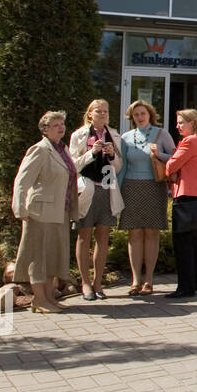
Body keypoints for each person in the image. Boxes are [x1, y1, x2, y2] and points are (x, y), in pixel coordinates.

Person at [11, 111, 79, 313]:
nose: (61, 127)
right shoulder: (39, 150)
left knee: (54, 256)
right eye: (55, 124)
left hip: (60, 210)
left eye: (62, 124)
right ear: (45, 129)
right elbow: (22, 181)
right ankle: (39, 300)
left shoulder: (62, 149)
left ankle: (49, 297)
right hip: (40, 212)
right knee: (38, 256)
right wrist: (19, 208)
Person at [119, 99, 174, 296]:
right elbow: (123, 166)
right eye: (136, 115)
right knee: (134, 233)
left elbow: (175, 158)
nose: (140, 117)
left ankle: (149, 279)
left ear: (150, 115)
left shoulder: (161, 133)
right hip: (131, 187)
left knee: (151, 232)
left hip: (154, 186)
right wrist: (116, 190)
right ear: (132, 118)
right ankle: (135, 280)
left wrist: (160, 154)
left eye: (143, 113)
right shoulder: (125, 138)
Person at [70, 98, 123, 300]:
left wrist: (112, 155)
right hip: (87, 187)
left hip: (107, 186)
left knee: (103, 236)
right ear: (90, 113)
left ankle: (98, 282)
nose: (102, 115)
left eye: (106, 112)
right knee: (84, 236)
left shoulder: (114, 135)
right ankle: (85, 284)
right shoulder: (79, 135)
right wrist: (92, 153)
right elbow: (73, 165)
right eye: (98, 111)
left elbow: (118, 167)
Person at [164, 109, 197, 299]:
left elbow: (170, 166)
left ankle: (185, 287)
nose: (177, 126)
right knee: (193, 243)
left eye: (181, 122)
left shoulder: (189, 141)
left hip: (185, 196)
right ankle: (196, 284)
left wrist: (168, 165)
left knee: (183, 244)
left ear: (193, 123)